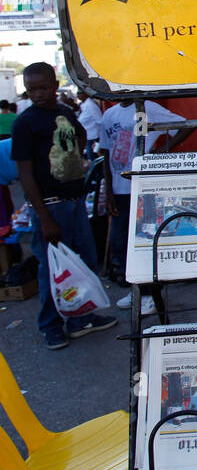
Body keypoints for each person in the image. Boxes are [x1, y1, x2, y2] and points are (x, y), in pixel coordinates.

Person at [10, 62, 116, 349]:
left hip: (75, 203)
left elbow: (80, 135)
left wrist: (77, 157)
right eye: (31, 89)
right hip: (50, 206)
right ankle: (51, 325)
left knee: (83, 262)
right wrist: (43, 218)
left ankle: (81, 318)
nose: (37, 94)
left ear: (55, 86)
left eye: (43, 87)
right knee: (52, 270)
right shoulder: (25, 123)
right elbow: (25, 174)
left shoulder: (65, 113)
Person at [100, 98, 190, 294]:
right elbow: (106, 153)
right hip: (118, 188)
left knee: (145, 240)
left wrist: (159, 152)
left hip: (142, 187)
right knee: (120, 241)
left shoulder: (146, 107)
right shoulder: (109, 114)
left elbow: (185, 126)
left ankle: (149, 293)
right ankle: (138, 291)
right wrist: (108, 191)